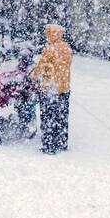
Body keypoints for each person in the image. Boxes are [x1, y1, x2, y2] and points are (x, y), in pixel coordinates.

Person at [31, 23, 73, 154]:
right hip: (64, 89)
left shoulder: (49, 49)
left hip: (50, 89)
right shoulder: (67, 48)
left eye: (48, 33)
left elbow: (41, 68)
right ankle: (62, 142)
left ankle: (49, 146)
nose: (46, 35)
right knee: (61, 116)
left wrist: (34, 76)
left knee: (48, 117)